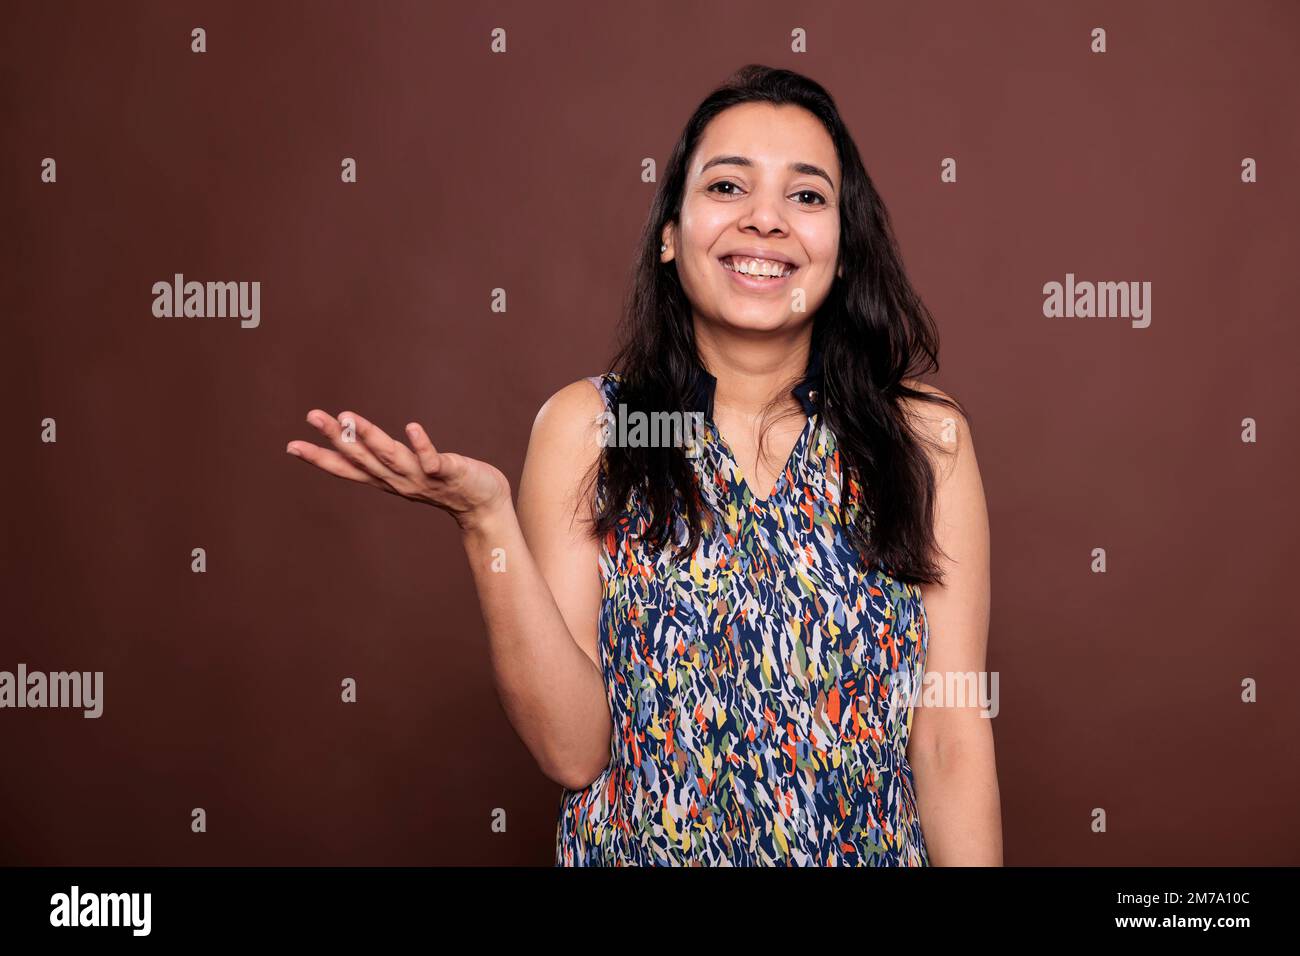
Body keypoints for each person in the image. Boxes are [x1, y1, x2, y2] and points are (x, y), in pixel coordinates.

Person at [286, 64, 1001, 866]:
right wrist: (483, 521)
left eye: (806, 196)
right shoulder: (589, 428)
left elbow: (949, 732)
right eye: (728, 187)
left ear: (844, 249)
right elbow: (572, 751)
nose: (766, 221)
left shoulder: (925, 439)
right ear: (669, 233)